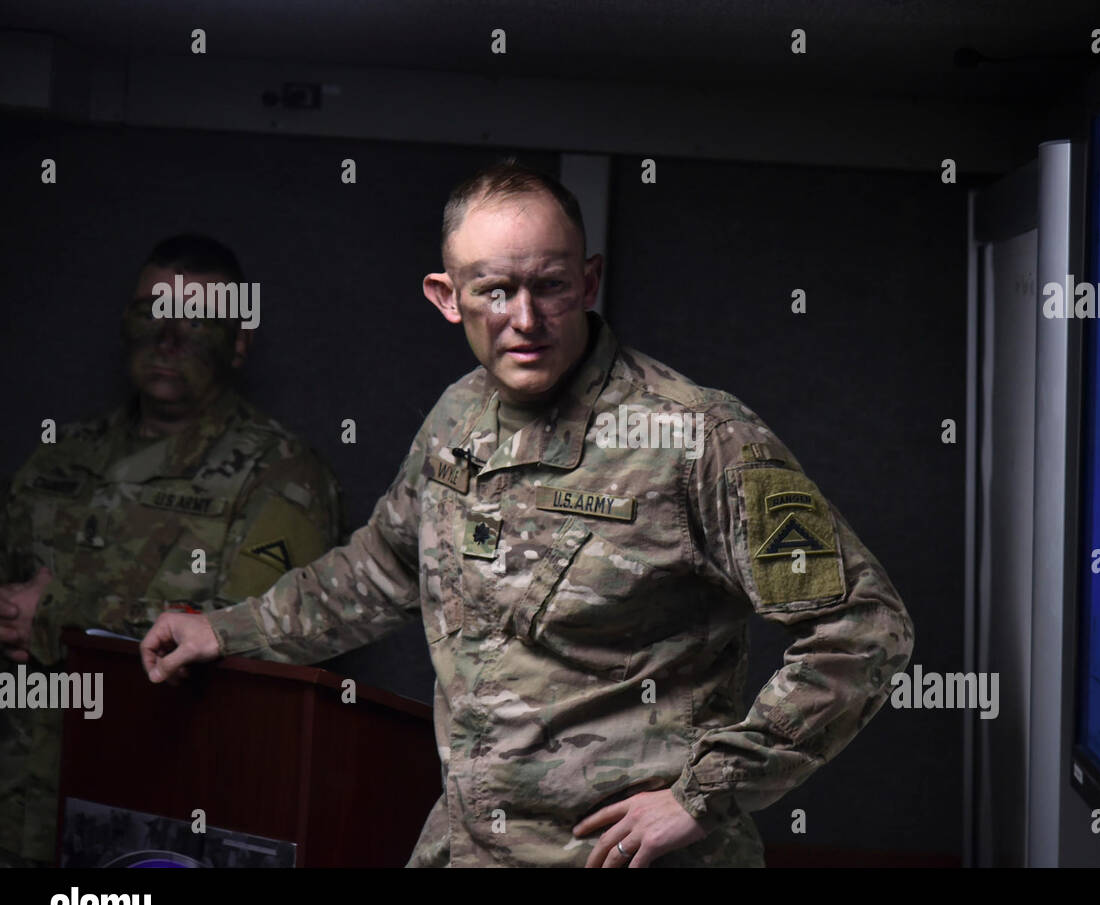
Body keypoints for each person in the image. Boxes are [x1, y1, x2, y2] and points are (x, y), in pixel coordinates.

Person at [141, 162, 915, 867]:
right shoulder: (456, 420)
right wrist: (227, 629)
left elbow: (864, 626)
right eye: (493, 290)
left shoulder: (695, 438)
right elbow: (383, 569)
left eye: (548, 285)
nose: (525, 318)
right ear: (447, 297)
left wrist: (703, 795)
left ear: (588, 281)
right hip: (471, 846)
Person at [0, 235, 344, 866]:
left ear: (239, 342)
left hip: (154, 822)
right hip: (19, 806)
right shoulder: (58, 458)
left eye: (199, 318)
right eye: (150, 311)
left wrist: (60, 615)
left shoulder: (281, 475)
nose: (168, 336)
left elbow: (267, 642)